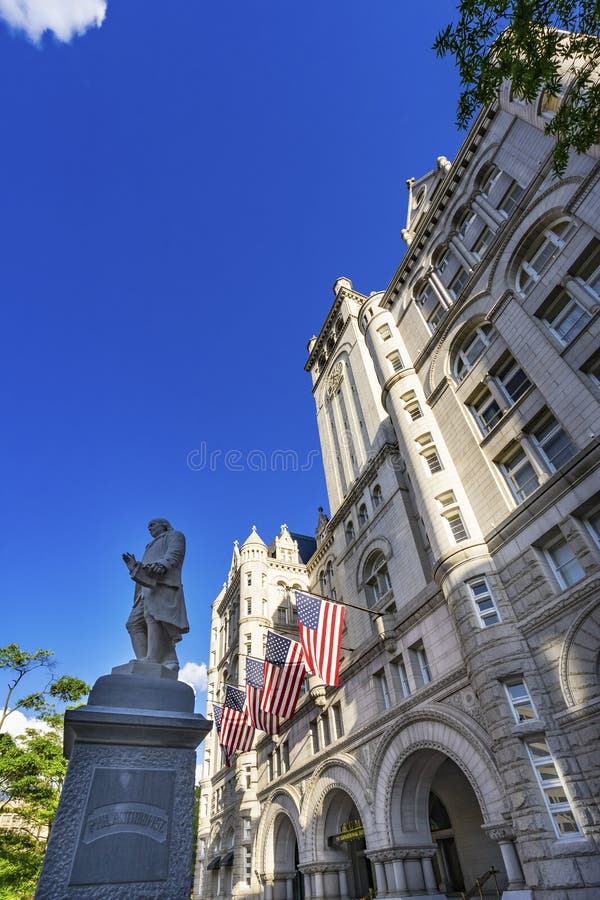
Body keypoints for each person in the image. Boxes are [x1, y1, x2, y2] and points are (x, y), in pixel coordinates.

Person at [122, 518, 190, 671]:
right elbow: (148, 567)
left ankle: (153, 660)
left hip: (163, 585)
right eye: (148, 527)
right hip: (145, 588)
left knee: (155, 618)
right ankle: (150, 660)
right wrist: (135, 567)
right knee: (133, 623)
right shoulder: (149, 545)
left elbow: (175, 554)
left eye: (152, 525)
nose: (149, 528)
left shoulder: (175, 535)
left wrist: (163, 565)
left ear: (164, 525)